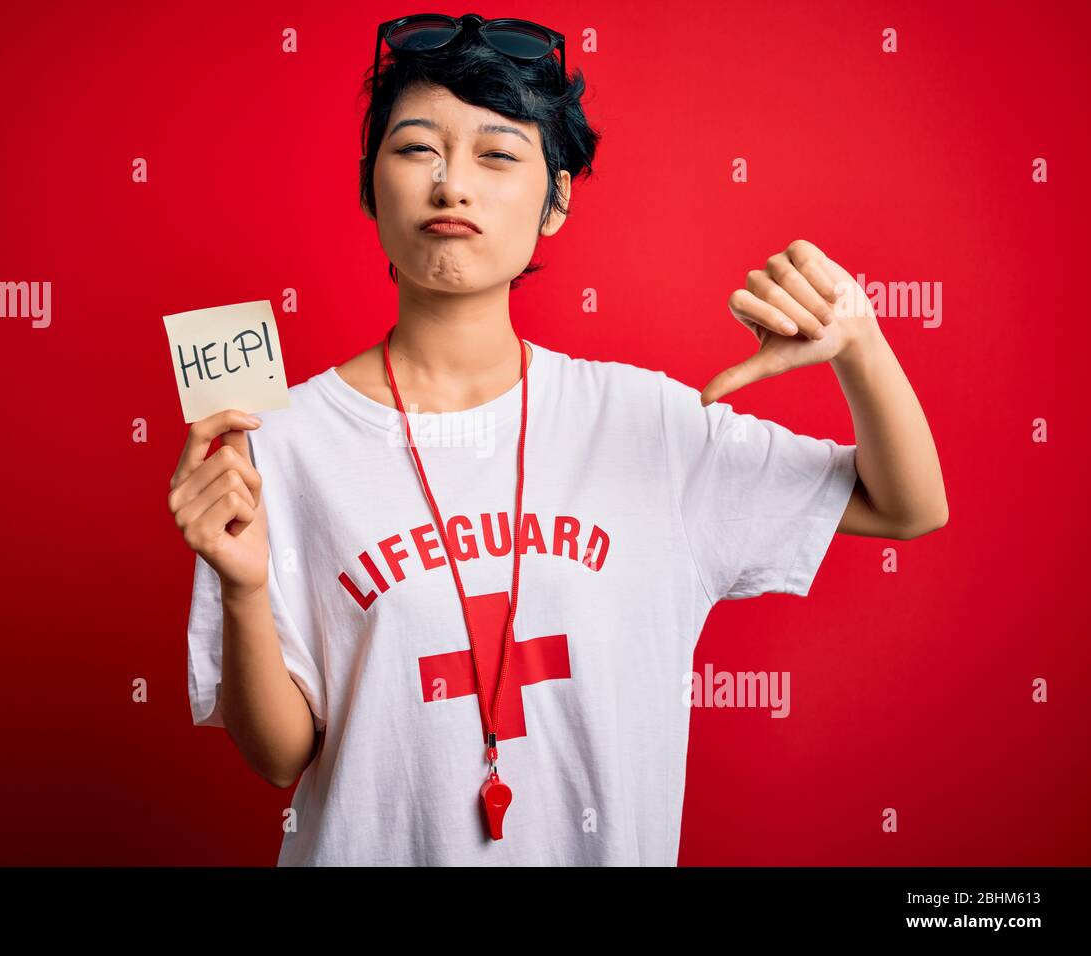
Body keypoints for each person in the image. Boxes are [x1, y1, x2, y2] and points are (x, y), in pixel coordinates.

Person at [168, 13, 948, 866]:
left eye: (498, 155)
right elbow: (281, 757)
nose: (452, 185)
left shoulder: (643, 421)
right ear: (368, 186)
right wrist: (241, 588)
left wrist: (862, 343)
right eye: (416, 148)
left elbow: (906, 508)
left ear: (557, 201)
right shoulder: (276, 438)